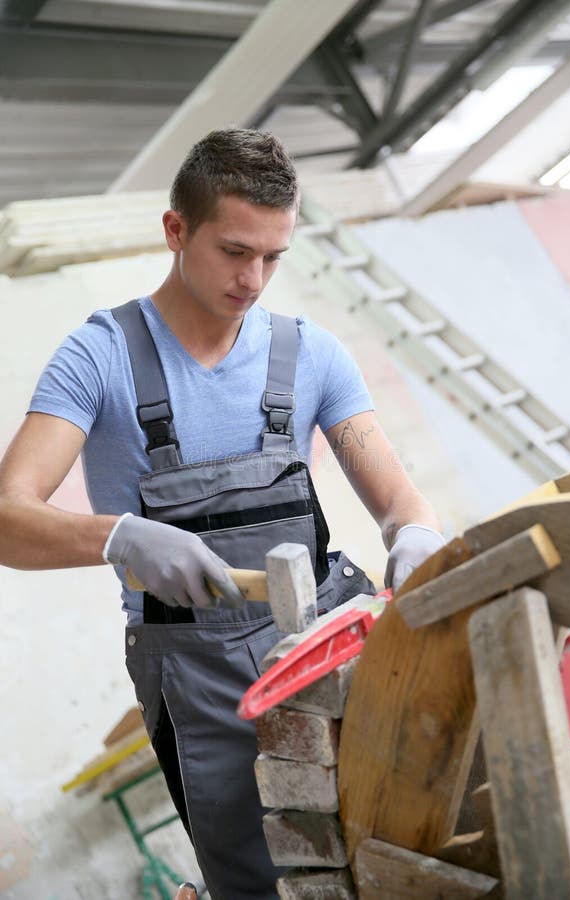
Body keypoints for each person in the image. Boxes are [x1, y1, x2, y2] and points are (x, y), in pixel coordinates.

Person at [0, 128, 444, 899]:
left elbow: (396, 495)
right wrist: (120, 537)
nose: (255, 278)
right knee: (267, 880)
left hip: (324, 639)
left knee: (406, 840)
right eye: (235, 251)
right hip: (198, 676)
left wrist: (415, 535)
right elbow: (9, 517)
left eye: (274, 256)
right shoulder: (99, 357)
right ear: (175, 230)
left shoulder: (312, 355)